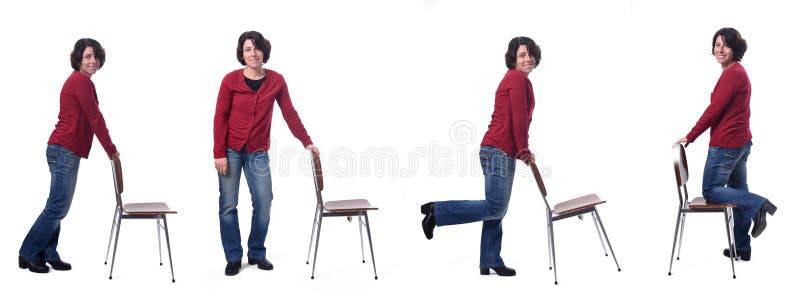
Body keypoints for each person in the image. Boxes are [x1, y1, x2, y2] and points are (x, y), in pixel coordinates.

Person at [420, 36, 539, 277]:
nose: (527, 59)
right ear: (513, 60)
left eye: (530, 54)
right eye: (522, 55)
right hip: (498, 150)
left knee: (495, 207)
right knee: (495, 207)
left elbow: (517, 119)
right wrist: (523, 149)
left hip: (496, 149)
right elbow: (517, 118)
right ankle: (437, 211)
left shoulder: (520, 81)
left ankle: (490, 259)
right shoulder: (516, 78)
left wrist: (522, 149)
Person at [214, 31, 318, 276]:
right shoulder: (230, 80)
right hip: (230, 150)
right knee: (228, 205)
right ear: (242, 53)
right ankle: (233, 256)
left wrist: (307, 141)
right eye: (248, 49)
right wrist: (219, 152)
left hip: (258, 151)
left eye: (257, 48)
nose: (253, 53)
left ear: (264, 52)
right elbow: (220, 117)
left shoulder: (276, 81)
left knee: (264, 202)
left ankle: (257, 252)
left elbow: (289, 113)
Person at [19, 38, 119, 273]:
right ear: (78, 59)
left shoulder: (83, 82)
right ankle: (30, 253)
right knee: (57, 206)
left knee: (58, 205)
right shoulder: (80, 81)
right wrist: (111, 149)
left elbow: (92, 117)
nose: (92, 61)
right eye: (87, 57)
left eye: (95, 56)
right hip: (64, 149)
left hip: (64, 150)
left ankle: (48, 253)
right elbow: (95, 118)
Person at [676, 27, 776, 261]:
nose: (720, 49)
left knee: (711, 191)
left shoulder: (733, 75)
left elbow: (714, 111)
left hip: (727, 145)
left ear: (735, 49)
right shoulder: (735, 72)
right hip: (740, 143)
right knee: (737, 193)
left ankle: (760, 205)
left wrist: (691, 135)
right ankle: (742, 247)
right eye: (717, 44)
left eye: (726, 45)